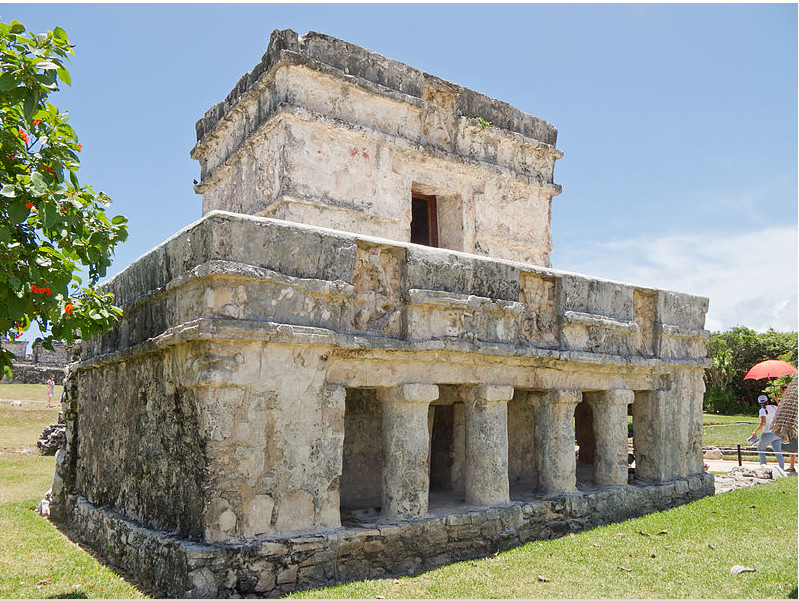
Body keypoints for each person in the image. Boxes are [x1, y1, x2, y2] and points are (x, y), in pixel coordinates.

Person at [751, 394, 784, 471]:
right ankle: (782, 470)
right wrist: (777, 400)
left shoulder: (762, 410)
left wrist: (755, 431)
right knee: (778, 452)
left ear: (759, 403)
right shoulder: (774, 407)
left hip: (768, 433)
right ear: (767, 401)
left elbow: (763, 423)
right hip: (778, 432)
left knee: (760, 449)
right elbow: (781, 409)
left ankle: (764, 468)